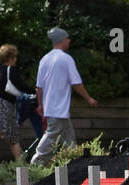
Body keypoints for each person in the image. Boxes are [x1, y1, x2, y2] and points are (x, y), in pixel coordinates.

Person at [32, 27, 98, 164]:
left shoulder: (45, 59)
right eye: (67, 38)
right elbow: (76, 83)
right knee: (51, 135)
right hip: (58, 108)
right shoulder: (66, 59)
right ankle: (36, 162)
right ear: (61, 40)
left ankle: (74, 163)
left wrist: (40, 105)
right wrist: (88, 98)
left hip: (54, 108)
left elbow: (39, 87)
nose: (69, 40)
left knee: (69, 139)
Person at [0, 44, 32, 163]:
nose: (16, 59)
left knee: (14, 138)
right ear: (11, 58)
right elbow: (21, 85)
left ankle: (21, 167)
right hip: (2, 105)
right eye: (14, 57)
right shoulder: (11, 70)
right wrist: (35, 92)